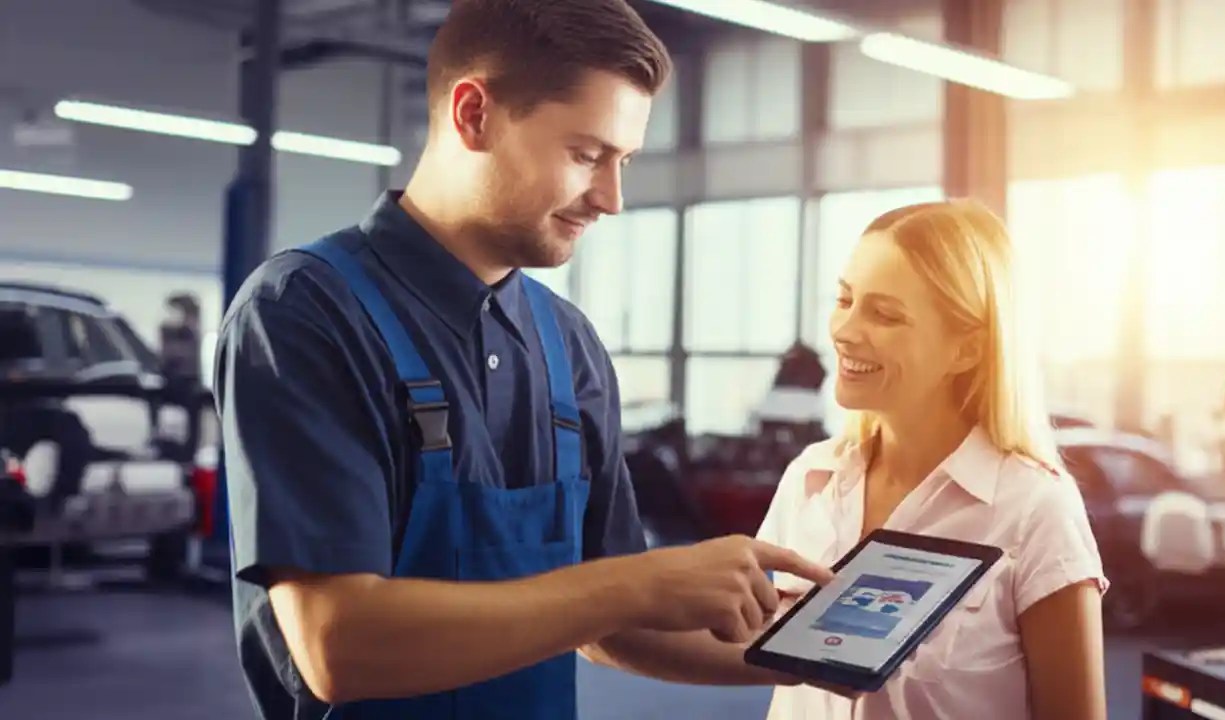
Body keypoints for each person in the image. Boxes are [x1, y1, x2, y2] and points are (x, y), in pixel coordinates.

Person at [213, 2, 834, 719]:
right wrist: (643, 581)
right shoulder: (304, 313)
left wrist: (820, 657)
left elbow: (615, 628)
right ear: (473, 114)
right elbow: (338, 645)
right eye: (585, 154)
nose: (611, 198)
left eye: (623, 161)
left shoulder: (568, 345)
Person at [757, 200, 1109, 719]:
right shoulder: (810, 479)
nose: (845, 331)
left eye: (884, 314)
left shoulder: (1034, 508)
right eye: (845, 299)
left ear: (966, 349)